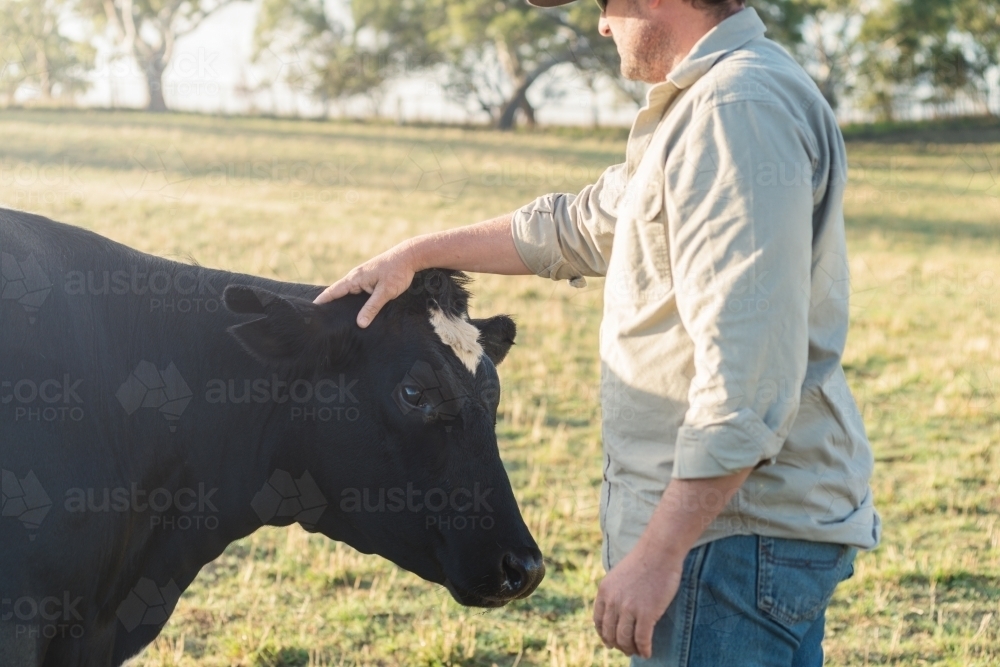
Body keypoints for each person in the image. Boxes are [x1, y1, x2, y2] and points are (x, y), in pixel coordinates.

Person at [315, 0, 881, 663]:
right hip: (730, 539)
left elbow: (747, 377)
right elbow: (581, 224)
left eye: (606, 4)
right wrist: (418, 253)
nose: (603, 25)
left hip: (725, 544)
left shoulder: (737, 111)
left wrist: (660, 553)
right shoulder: (710, 102)